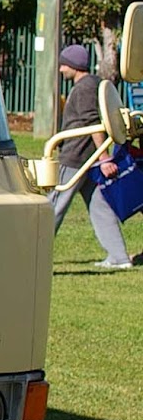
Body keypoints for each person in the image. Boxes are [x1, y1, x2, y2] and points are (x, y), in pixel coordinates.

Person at [51, 42, 133, 268]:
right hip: (89, 159)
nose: (61, 70)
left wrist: (103, 158)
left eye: (63, 65)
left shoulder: (85, 87)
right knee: (100, 207)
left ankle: (35, 252)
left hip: (78, 157)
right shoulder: (96, 84)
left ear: (74, 66)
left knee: (54, 204)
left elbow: (93, 123)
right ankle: (119, 258)